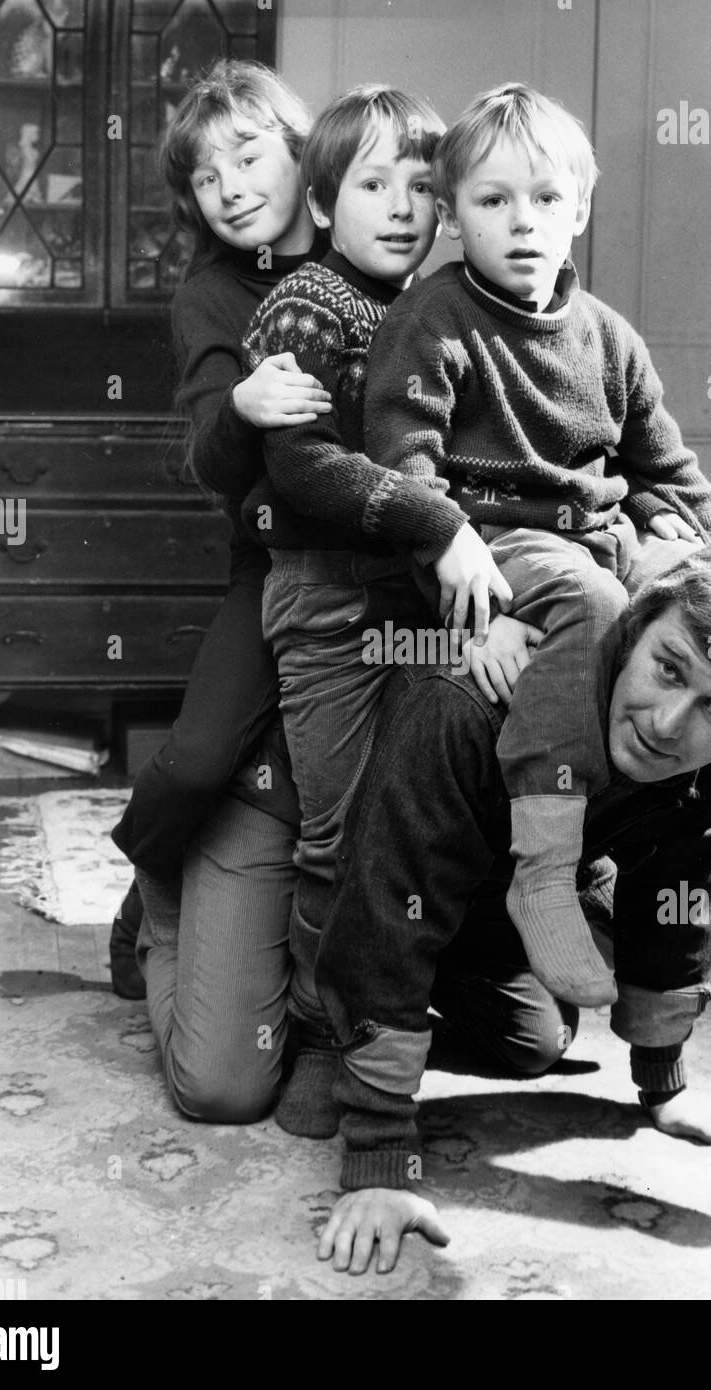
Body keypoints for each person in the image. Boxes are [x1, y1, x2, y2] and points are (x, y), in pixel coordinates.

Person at [360, 82, 711, 1006]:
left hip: (605, 539)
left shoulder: (608, 338)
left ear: (579, 208)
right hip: (494, 548)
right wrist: (451, 545)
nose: (522, 221)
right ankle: (545, 865)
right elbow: (398, 469)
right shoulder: (429, 323)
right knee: (588, 603)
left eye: (545, 199)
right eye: (492, 200)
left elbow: (665, 462)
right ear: (454, 216)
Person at [313, 541, 711, 1274]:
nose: (666, 724)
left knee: (534, 1046)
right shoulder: (469, 705)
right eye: (667, 668)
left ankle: (391, 1015)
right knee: (273, 1072)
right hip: (366, 878)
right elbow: (383, 908)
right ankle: (233, 964)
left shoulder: (710, 766)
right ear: (634, 627)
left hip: (491, 907)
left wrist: (664, 1086)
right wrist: (379, 1154)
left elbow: (676, 913)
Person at [236, 85, 513, 1135]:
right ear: (321, 198)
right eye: (371, 184)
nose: (401, 207)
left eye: (420, 187)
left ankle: (411, 998)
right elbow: (300, 464)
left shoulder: (448, 304)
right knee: (339, 831)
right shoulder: (307, 303)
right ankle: (323, 1028)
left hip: (430, 596)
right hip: (332, 594)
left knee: (430, 812)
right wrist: (432, 517)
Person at [108, 59, 331, 999]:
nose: (231, 188)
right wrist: (241, 403)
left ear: (301, 152)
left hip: (394, 560)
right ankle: (146, 883)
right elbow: (209, 455)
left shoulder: (364, 245)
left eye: (248, 156)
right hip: (275, 558)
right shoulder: (206, 297)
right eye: (206, 176)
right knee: (201, 757)